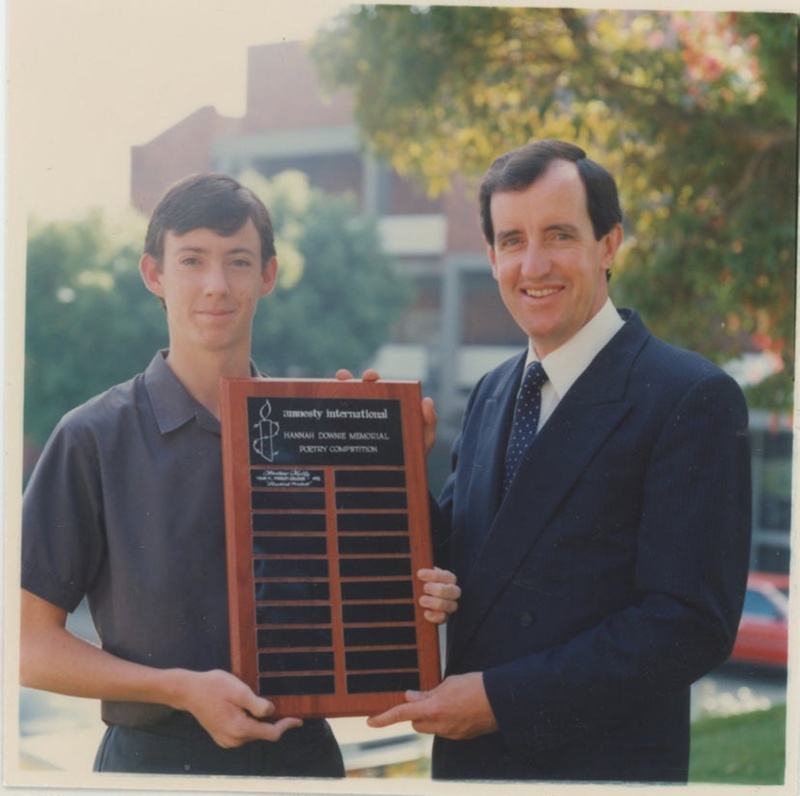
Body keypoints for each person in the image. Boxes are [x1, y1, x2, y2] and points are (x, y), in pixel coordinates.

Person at [20, 173, 460, 777]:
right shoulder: (91, 437)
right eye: (192, 260)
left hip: (303, 764)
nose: (215, 286)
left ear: (267, 275)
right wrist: (180, 689)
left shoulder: (321, 427)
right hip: (152, 770)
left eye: (238, 261)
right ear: (155, 274)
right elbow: (24, 646)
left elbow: (385, 594)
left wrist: (392, 471)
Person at [367, 140, 752, 783]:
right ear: (491, 258)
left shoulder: (691, 397)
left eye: (559, 235)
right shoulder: (491, 391)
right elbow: (473, 569)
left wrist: (499, 703)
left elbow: (688, 625)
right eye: (512, 240)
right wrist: (393, 469)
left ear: (609, 245)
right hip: (468, 770)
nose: (533, 264)